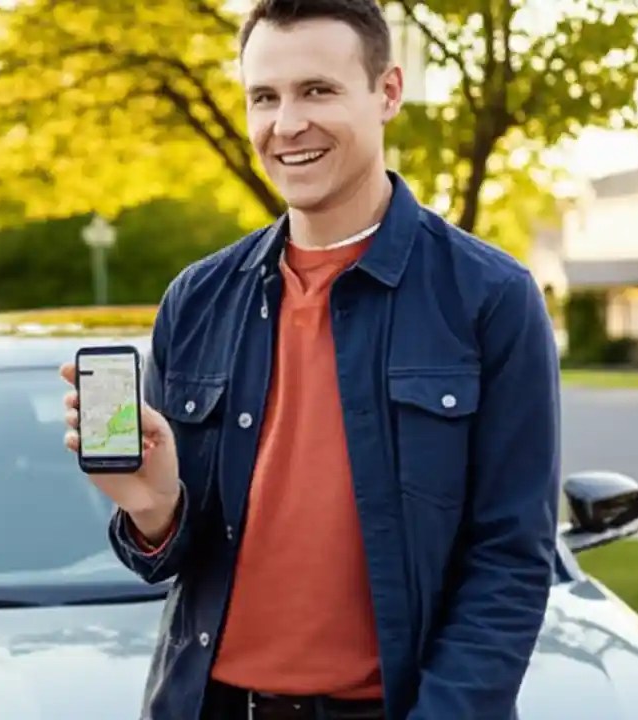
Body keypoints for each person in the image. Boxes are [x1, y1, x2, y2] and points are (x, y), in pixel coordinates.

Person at [60, 0, 561, 718]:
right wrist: (154, 510)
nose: (286, 124)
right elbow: (168, 558)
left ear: (387, 92)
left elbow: (509, 563)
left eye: (317, 90)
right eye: (264, 96)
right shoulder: (197, 299)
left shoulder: (491, 299)